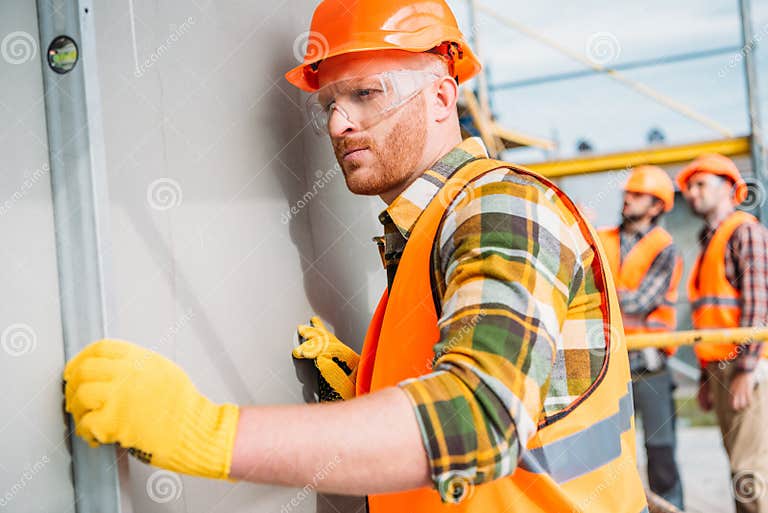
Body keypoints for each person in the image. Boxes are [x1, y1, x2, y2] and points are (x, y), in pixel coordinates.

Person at [63, 1, 647, 511]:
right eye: (328, 105)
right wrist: (369, 395)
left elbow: (479, 418)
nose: (340, 123)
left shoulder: (502, 206)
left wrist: (208, 435)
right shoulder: (426, 229)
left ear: (442, 96)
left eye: (367, 94)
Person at [677, 153, 768, 513]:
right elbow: (710, 320)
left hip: (745, 367)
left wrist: (745, 370)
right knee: (738, 464)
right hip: (719, 367)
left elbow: (758, 308)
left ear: (730, 188)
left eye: (701, 184)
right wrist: (704, 376)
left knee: (748, 469)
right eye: (690, 187)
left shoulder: (743, 231)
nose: (692, 193)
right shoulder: (709, 241)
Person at [597, 166, 684, 509]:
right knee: (608, 457)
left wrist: (601, 293)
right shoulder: (601, 237)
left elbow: (640, 302)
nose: (627, 197)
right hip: (607, 366)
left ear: (656, 206)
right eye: (627, 192)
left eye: (637, 194)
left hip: (650, 368)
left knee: (660, 456)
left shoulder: (665, 248)